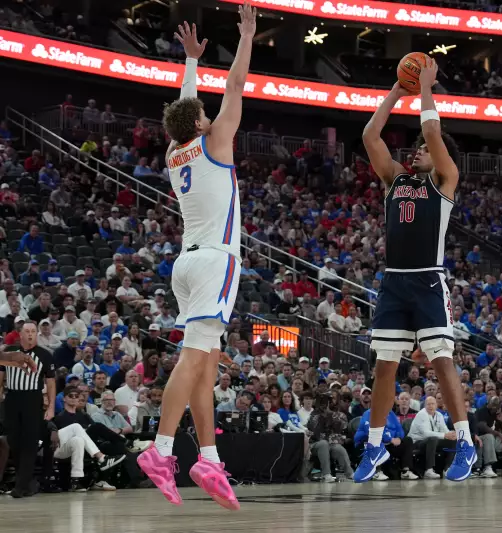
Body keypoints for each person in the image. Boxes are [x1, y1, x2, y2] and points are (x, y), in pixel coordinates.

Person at [136, 4, 256, 511]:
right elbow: (233, 89)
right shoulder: (216, 141)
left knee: (205, 367)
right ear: (201, 123)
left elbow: (185, 109)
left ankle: (208, 457)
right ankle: (160, 450)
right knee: (193, 361)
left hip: (186, 263)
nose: (210, 113)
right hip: (215, 261)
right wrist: (246, 36)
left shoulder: (174, 152)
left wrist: (189, 62)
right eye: (204, 114)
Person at [355, 56, 474, 484]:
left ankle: (465, 442)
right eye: (418, 150)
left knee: (442, 360)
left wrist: (426, 87)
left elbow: (430, 130)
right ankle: (373, 448)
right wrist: (396, 91)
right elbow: (370, 135)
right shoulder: (395, 180)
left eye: (424, 150)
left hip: (427, 278)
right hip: (394, 281)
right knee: (384, 365)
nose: (418, 150)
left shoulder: (445, 179)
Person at [0, 321, 56, 498]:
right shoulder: (9, 352)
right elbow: (0, 378)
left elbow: (51, 383)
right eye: (27, 331)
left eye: (33, 331)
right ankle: (26, 483)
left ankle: (20, 485)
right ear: (20, 334)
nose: (31, 334)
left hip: (33, 399)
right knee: (14, 441)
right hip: (12, 399)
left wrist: (51, 407)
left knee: (30, 443)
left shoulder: (45, 355)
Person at [354, 408, 417, 480]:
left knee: (407, 440)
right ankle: (376, 472)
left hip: (388, 443)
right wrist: (390, 439)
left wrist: (399, 438)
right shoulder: (369, 413)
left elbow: (399, 428)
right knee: (374, 439)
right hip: (366, 443)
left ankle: (406, 471)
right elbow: (371, 430)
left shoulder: (391, 413)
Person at [409, 396, 456, 479]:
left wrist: (451, 434)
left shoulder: (439, 415)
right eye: (428, 404)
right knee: (433, 439)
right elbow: (426, 434)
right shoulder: (422, 414)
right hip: (417, 442)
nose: (431, 406)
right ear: (424, 406)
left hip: (432, 441)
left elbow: (445, 430)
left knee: (453, 441)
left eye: (433, 404)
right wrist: (445, 435)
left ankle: (447, 469)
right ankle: (429, 470)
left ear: (436, 405)